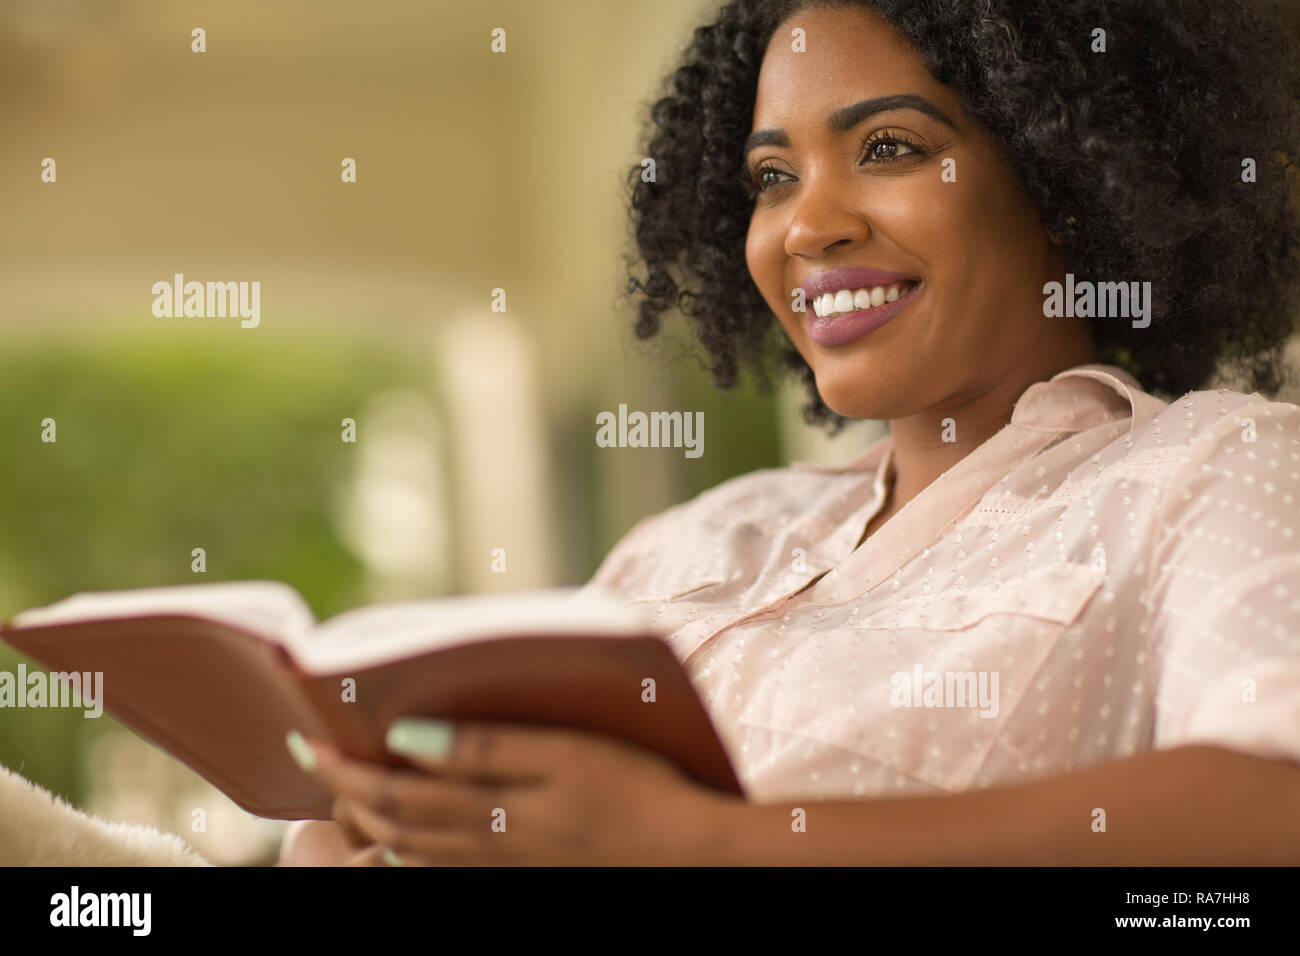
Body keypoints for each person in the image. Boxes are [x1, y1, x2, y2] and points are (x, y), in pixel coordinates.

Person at [282, 0, 1300, 865]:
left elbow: (1273, 800)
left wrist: (701, 842)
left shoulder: (1210, 469)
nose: (807, 227)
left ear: (1067, 183)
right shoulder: (696, 537)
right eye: (773, 175)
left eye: (888, 148)